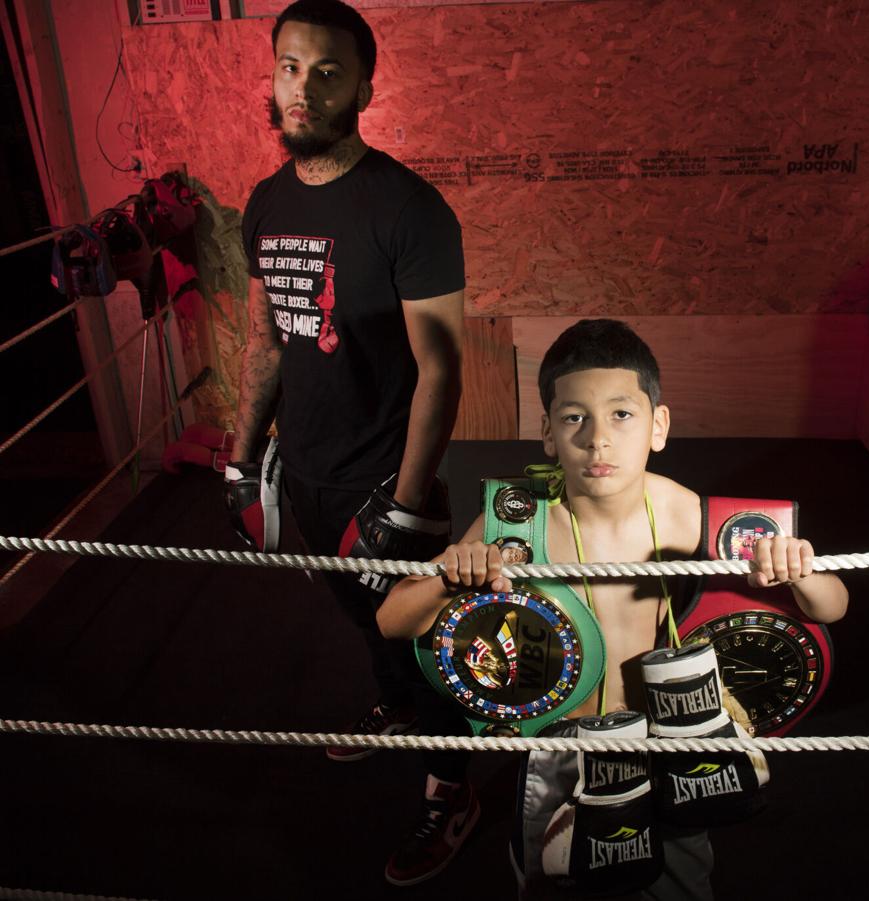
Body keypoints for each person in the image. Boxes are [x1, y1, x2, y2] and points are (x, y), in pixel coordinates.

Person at [378, 318, 849, 898]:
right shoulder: (520, 523)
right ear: (547, 432)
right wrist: (452, 578)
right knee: (551, 883)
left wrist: (800, 567)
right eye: (575, 417)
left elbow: (831, 607)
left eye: (622, 414)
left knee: (678, 883)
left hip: (667, 743)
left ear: (659, 426)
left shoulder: (684, 514)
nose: (597, 439)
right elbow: (392, 619)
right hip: (559, 745)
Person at [229, 0, 475, 886]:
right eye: (290, 67)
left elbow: (442, 371)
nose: (304, 87)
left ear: (364, 87)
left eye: (327, 71)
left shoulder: (409, 209)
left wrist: (408, 505)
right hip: (307, 473)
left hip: (384, 478)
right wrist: (241, 453)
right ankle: (398, 712)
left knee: (426, 638)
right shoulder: (263, 204)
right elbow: (265, 342)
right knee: (365, 624)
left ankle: (452, 791)